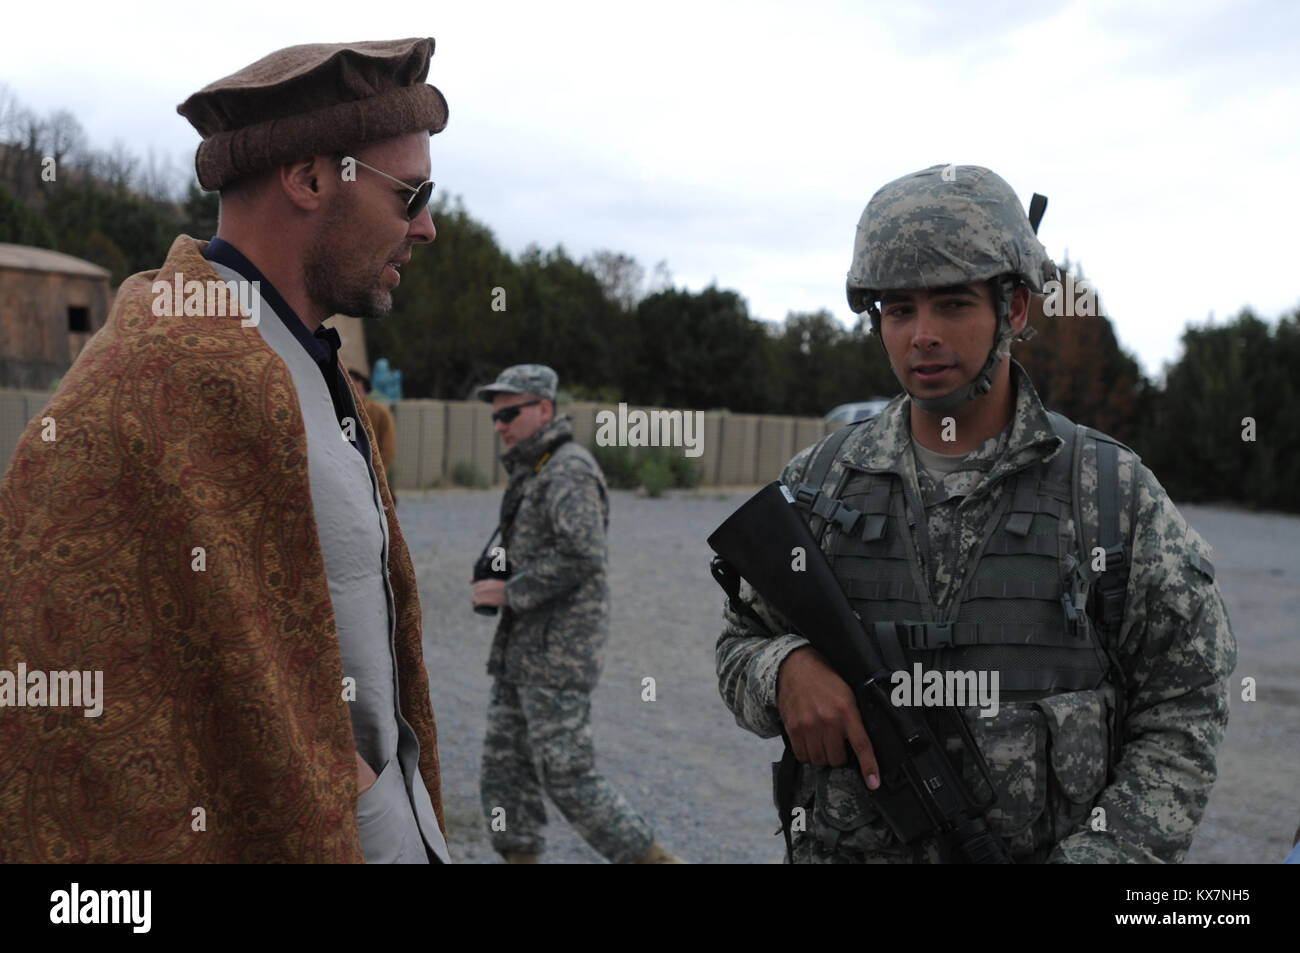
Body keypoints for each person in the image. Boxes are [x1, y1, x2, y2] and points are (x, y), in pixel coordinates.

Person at [0, 38, 451, 863]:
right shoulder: (151, 374)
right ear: (312, 178)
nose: (426, 226)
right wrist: (333, 784)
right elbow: (54, 654)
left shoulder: (307, 359)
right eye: (411, 193)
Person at [715, 164, 1237, 863]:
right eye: (899, 310)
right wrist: (782, 670)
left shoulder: (1111, 495)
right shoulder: (817, 486)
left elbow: (1184, 703)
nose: (922, 335)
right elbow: (738, 644)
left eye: (953, 304)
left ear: (1015, 309)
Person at [471, 364, 681, 863]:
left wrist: (511, 591)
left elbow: (584, 554)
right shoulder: (535, 468)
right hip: (521, 653)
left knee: (568, 777)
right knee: (505, 775)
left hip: (557, 654)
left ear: (544, 409)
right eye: (495, 416)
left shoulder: (568, 469)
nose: (500, 424)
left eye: (510, 413)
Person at [349, 367, 398, 485]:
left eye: (355, 389)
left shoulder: (381, 413)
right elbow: (346, 444)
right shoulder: (347, 416)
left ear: (362, 386)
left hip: (375, 478)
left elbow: (388, 450)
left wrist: (376, 478)